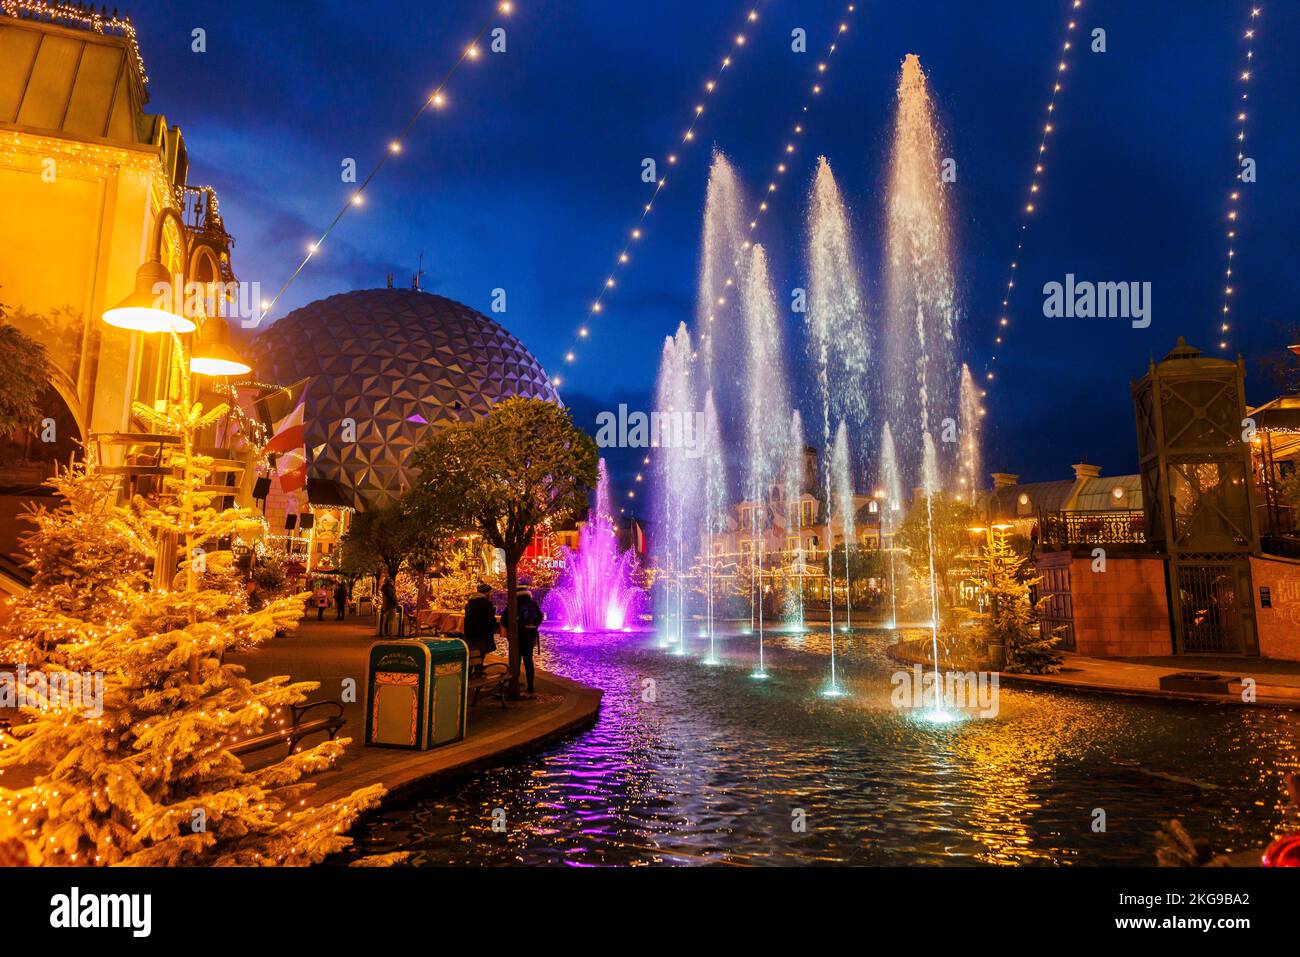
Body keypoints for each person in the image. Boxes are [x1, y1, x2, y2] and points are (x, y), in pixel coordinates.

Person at [500, 586, 543, 696]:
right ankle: (530, 686)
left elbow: (503, 620)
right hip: (530, 636)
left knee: (516, 660)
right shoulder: (533, 604)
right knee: (528, 660)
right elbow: (540, 617)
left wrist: (512, 629)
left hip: (516, 637)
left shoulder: (513, 604)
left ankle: (515, 684)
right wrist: (533, 627)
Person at [462, 584, 498, 675]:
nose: (491, 594)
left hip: (471, 635)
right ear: (486, 592)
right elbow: (490, 620)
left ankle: (470, 675)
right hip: (482, 635)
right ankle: (478, 674)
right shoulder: (486, 604)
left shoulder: (469, 603)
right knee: (480, 655)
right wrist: (495, 626)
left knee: (473, 656)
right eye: (490, 592)